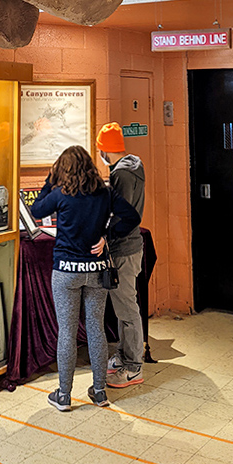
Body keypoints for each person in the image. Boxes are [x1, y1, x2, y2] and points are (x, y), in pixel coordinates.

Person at [31, 145, 140, 412]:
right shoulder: (105, 193)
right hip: (96, 269)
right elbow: (132, 217)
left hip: (67, 271)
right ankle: (100, 391)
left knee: (67, 333)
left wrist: (49, 181)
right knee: (95, 329)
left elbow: (36, 210)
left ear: (62, 170)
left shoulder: (60, 194)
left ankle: (64, 395)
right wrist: (108, 236)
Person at [96, 122, 146, 388]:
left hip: (123, 249)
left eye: (100, 149)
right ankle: (123, 355)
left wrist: (105, 234)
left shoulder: (121, 175)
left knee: (127, 310)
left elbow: (122, 214)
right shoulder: (133, 165)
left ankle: (133, 367)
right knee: (122, 308)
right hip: (131, 246)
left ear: (105, 150)